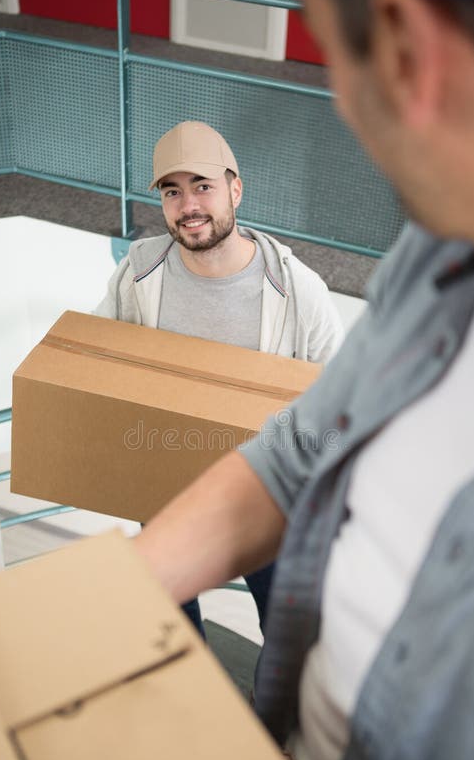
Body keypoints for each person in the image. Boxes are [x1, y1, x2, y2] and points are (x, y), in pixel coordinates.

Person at [131, 0, 474, 760]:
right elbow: (299, 447)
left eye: (323, 45)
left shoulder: (299, 288)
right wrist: (115, 596)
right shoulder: (433, 260)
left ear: (401, 50)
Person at [95, 120, 344, 637]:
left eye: (203, 187)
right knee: (170, 628)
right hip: (164, 489)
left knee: (285, 632)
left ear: (235, 188)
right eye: (172, 191)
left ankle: (272, 719)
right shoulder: (139, 273)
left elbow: (339, 397)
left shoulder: (299, 289)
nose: (188, 206)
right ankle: (192, 714)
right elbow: (98, 361)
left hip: (262, 500)